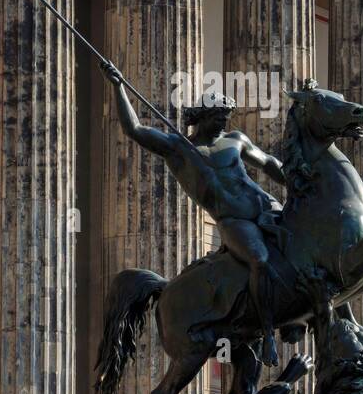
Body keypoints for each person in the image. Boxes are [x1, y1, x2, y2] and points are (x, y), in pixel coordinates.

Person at [103, 62, 287, 364]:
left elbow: (268, 163)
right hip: (234, 221)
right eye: (217, 117)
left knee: (308, 247)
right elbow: (134, 129)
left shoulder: (235, 140)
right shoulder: (179, 149)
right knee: (260, 260)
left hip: (265, 206)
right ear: (201, 118)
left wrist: (294, 178)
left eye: (225, 117)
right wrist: (118, 86)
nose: (222, 123)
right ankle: (268, 333)